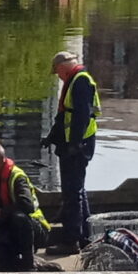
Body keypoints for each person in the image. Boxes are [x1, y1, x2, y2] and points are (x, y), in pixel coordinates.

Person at [42, 49, 100, 254]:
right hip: (71, 145)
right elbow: (64, 116)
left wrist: (75, 145)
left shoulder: (80, 81)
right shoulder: (73, 80)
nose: (57, 76)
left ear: (62, 68)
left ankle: (71, 241)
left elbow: (81, 116)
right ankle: (85, 236)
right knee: (77, 190)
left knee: (72, 193)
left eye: (57, 72)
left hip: (78, 146)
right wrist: (51, 137)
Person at [0, 142, 51, 272]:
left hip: (33, 230)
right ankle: (37, 265)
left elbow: (27, 206)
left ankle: (29, 264)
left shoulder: (17, 177)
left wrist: (1, 212)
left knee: (18, 217)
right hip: (9, 230)